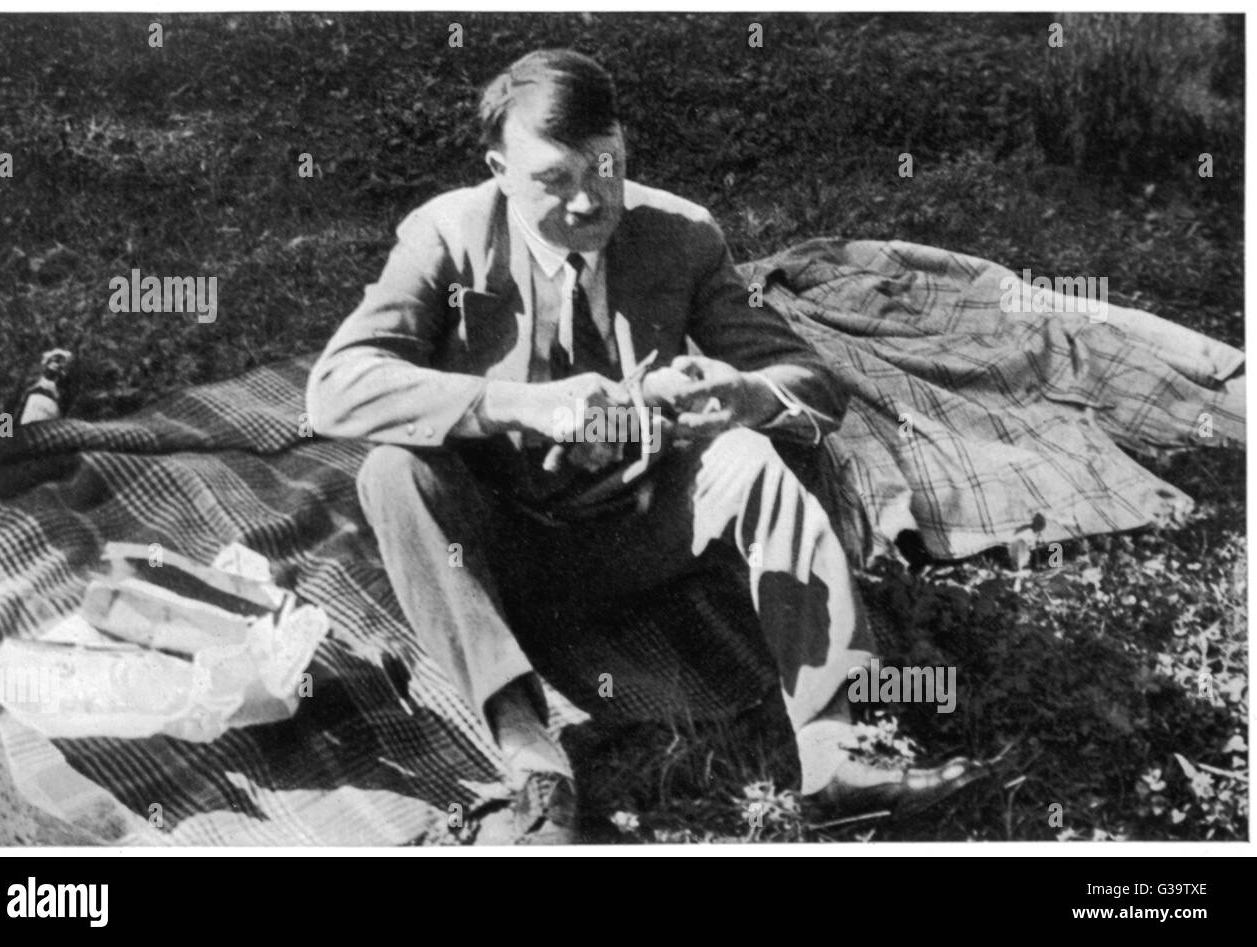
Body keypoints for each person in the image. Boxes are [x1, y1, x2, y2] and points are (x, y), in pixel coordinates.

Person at [307, 48, 984, 843]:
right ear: (500, 169)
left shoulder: (681, 235)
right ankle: (534, 765)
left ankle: (834, 752)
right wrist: (520, 405)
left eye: (607, 168)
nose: (590, 202)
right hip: (502, 550)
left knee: (754, 456)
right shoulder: (446, 238)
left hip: (643, 526)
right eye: (555, 180)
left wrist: (741, 393)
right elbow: (337, 385)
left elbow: (812, 383)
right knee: (392, 473)